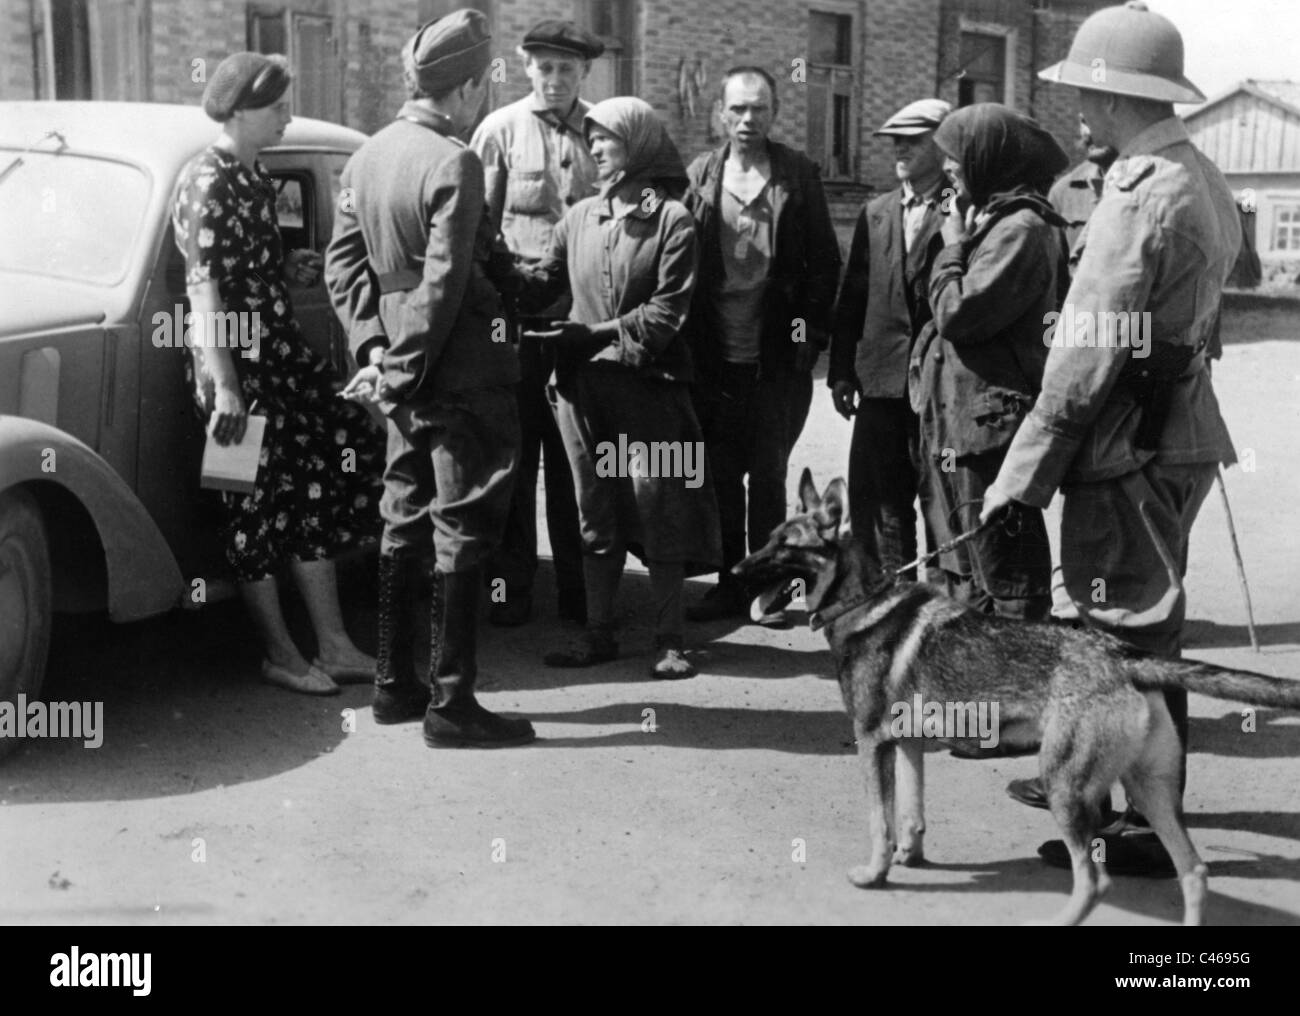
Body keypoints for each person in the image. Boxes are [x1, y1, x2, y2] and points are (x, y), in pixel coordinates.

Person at [980, 0, 1242, 874]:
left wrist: (1020, 478)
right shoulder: (1200, 175)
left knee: (1122, 630)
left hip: (1127, 443)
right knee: (1143, 627)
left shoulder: (1140, 194)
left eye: (1084, 93)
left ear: (1116, 94)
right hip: (1178, 430)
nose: (1078, 110)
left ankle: (1140, 826)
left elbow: (1084, 358)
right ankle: (1103, 793)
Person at [324, 10, 534, 747]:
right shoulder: (455, 161)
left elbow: (342, 265)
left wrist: (373, 353)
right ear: (468, 87)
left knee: (404, 513)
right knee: (463, 525)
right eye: (483, 86)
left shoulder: (367, 156)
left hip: (398, 368)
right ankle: (451, 704)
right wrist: (404, 368)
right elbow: (444, 283)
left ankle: (393, 685)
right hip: (457, 370)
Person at [172, 51, 384, 697]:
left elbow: (242, 268)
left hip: (280, 360)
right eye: (277, 108)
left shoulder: (253, 174)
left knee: (317, 481)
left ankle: (335, 645)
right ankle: (281, 654)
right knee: (247, 507)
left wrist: (286, 268)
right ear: (239, 111)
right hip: (231, 371)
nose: (287, 119)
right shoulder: (208, 181)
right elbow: (204, 291)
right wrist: (226, 388)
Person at [520, 96, 721, 679]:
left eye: (607, 138)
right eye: (592, 140)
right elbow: (542, 283)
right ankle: (598, 633)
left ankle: (670, 640)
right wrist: (486, 258)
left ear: (640, 144)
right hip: (582, 392)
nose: (596, 148)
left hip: (650, 390)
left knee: (660, 508)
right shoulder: (579, 216)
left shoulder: (673, 220)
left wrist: (592, 333)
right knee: (595, 510)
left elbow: (666, 313)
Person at [682, 66, 842, 625]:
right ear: (721, 114)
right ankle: (732, 584)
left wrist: (808, 334)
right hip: (715, 355)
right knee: (722, 477)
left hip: (775, 358)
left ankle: (772, 592)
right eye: (738, 109)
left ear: (774, 113)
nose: (748, 118)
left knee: (769, 475)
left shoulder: (797, 174)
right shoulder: (702, 175)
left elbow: (825, 263)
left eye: (759, 108)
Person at [469, 20, 605, 627]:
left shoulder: (604, 132)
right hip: (516, 326)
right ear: (525, 67)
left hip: (581, 325)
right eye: (544, 67)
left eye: (566, 69)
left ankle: (579, 592)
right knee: (514, 461)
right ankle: (511, 589)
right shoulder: (499, 131)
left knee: (580, 461)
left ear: (584, 72)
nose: (554, 80)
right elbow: (477, 229)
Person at [911, 103, 1069, 621]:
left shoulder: (1023, 228)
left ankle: (1023, 669)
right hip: (960, 424)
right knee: (960, 566)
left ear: (990, 159)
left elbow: (959, 313)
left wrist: (952, 248)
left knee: (1006, 572)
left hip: (990, 433)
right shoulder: (991, 217)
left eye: (956, 156)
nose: (947, 167)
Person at [829, 98, 950, 580]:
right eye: (896, 140)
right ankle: (889, 598)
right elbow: (852, 298)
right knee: (880, 506)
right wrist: (841, 371)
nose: (901, 148)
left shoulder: (962, 209)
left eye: (914, 140)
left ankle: (941, 605)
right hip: (880, 383)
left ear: (943, 145)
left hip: (939, 388)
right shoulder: (876, 212)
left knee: (942, 502)